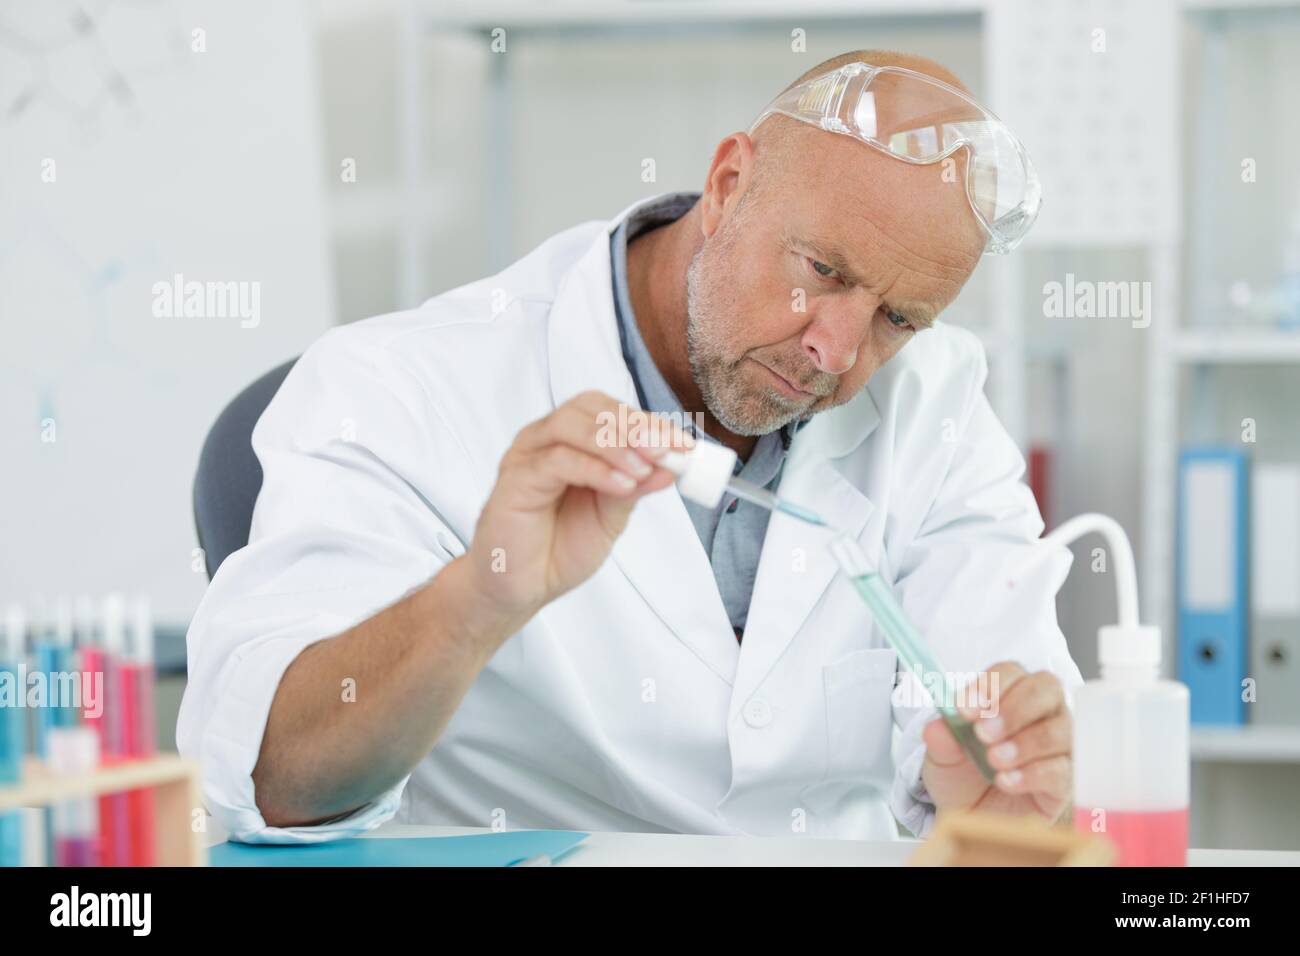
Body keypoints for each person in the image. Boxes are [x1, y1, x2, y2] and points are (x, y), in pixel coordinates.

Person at [178, 49, 1082, 843]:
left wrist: (991, 786)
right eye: (823, 271)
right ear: (728, 184)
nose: (837, 353)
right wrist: (480, 596)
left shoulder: (936, 404)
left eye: (896, 318)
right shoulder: (398, 386)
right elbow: (274, 783)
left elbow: (999, 701)